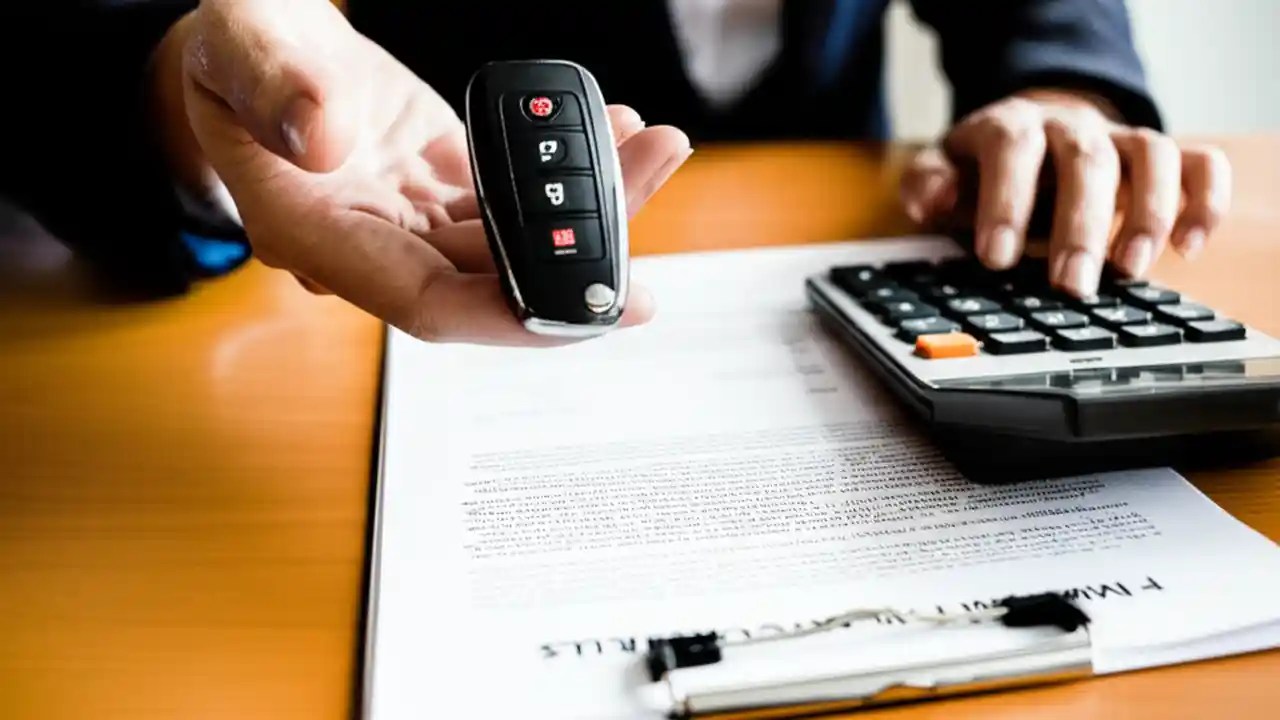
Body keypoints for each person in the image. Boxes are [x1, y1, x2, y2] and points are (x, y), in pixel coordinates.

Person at [0, 0, 1230, 347]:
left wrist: (1063, 92)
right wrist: (194, 86)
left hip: (818, 280)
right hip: (340, 319)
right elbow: (70, 59)